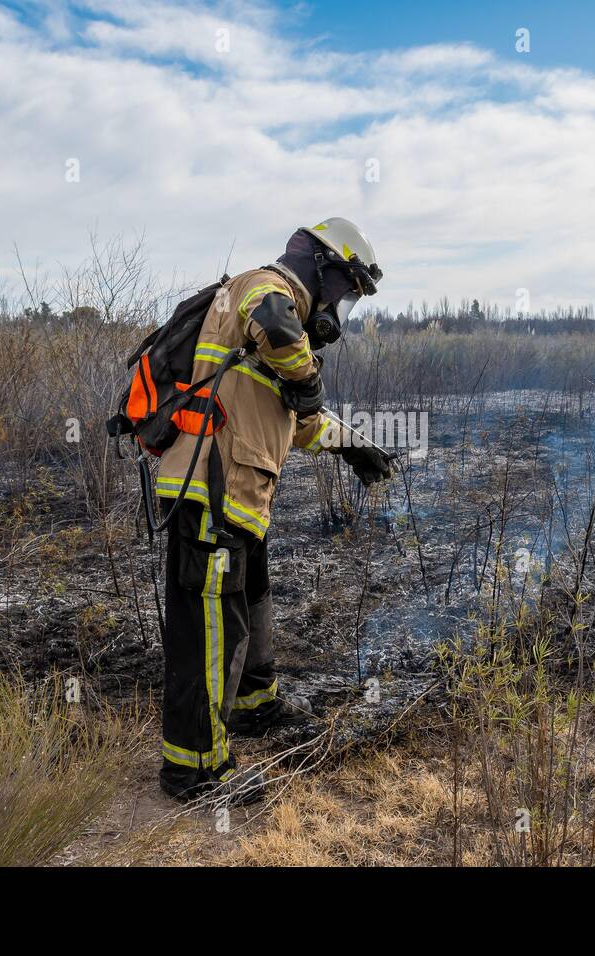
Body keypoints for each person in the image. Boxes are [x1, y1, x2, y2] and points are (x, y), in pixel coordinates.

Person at [155, 218, 394, 804]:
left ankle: (253, 707)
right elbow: (277, 328)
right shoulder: (264, 287)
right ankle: (195, 771)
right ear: (318, 265)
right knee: (211, 625)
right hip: (208, 486)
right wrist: (309, 377)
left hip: (238, 494)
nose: (340, 306)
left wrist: (356, 448)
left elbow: (304, 422)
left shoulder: (279, 342)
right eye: (344, 289)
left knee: (248, 601)